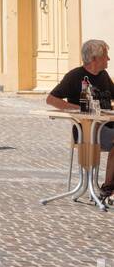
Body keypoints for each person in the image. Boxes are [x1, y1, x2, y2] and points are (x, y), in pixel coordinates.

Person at [47, 39, 114, 199]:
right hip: (86, 131)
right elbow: (51, 99)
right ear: (94, 59)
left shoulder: (104, 76)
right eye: (106, 56)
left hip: (108, 127)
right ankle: (108, 188)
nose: (109, 59)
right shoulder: (75, 76)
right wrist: (79, 108)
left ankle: (108, 187)